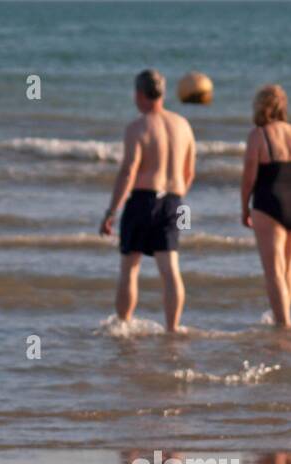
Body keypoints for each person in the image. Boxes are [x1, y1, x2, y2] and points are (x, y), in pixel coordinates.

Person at [100, 69, 196, 332]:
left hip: (143, 200)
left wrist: (111, 211)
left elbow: (129, 170)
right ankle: (173, 328)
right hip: (174, 200)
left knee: (130, 267)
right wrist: (176, 198)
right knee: (170, 268)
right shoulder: (183, 125)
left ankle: (123, 325)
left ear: (139, 94)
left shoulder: (137, 127)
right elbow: (189, 172)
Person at [240, 84, 291, 327]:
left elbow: (249, 177)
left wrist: (244, 207)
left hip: (270, 203)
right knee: (287, 267)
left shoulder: (259, 135)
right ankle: (284, 319)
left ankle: (284, 327)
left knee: (273, 271)